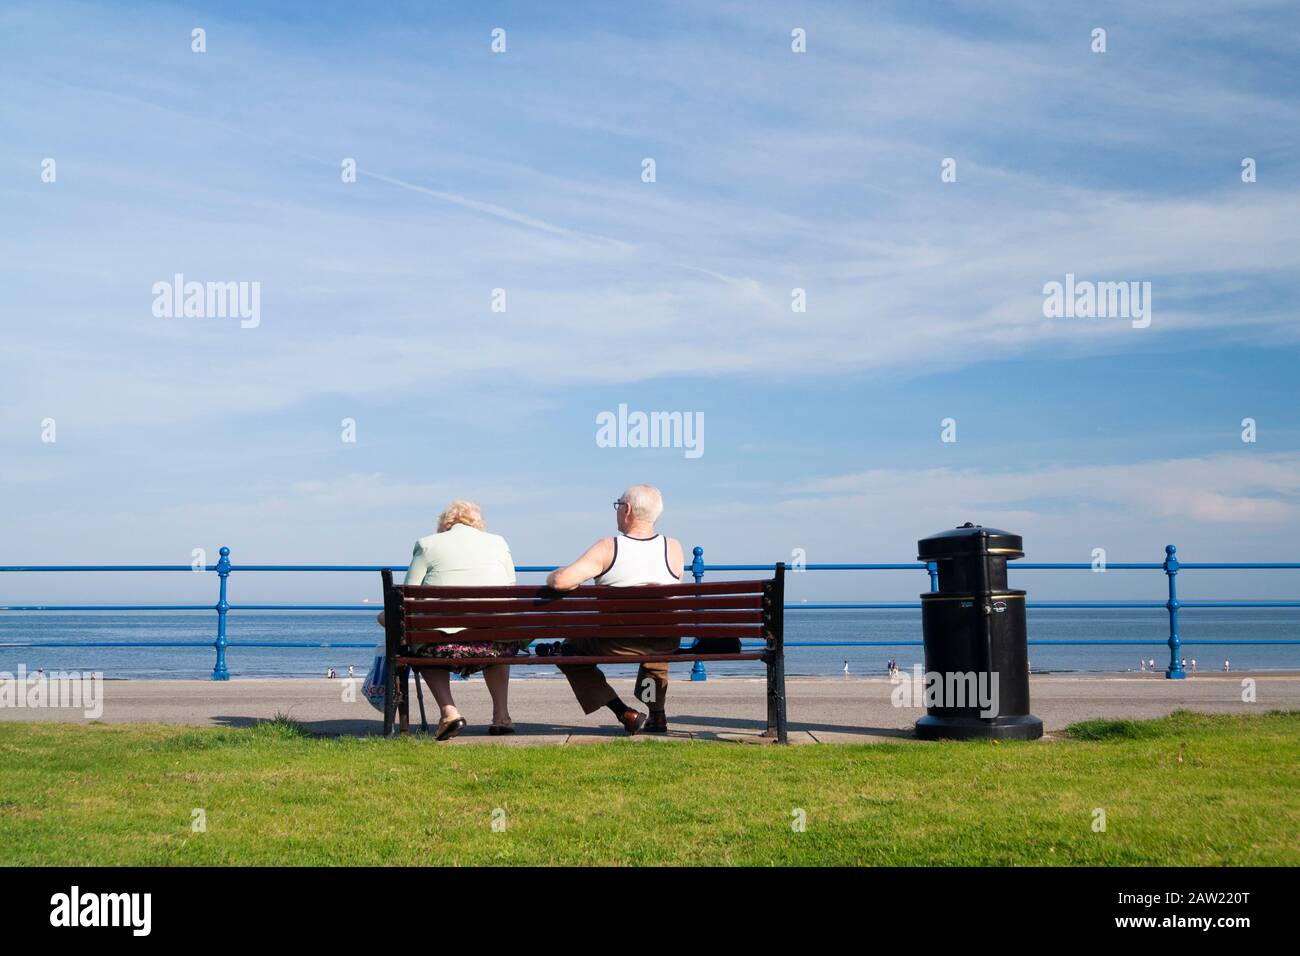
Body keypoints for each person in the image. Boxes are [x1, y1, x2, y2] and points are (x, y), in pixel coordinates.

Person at [548, 485, 684, 735]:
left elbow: (561, 582)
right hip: (663, 640)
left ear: (627, 510)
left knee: (566, 650)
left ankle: (624, 712)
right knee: (655, 637)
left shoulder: (608, 547)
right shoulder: (673, 548)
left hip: (614, 641)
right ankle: (657, 714)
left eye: (618, 505)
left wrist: (554, 575)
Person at [379, 499, 519, 740]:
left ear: (444, 525)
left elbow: (407, 595)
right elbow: (510, 593)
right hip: (494, 645)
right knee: (499, 638)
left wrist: (384, 617)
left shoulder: (427, 545)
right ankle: (501, 716)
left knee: (421, 645)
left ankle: (449, 712)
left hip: (440, 645)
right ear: (478, 524)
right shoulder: (498, 543)